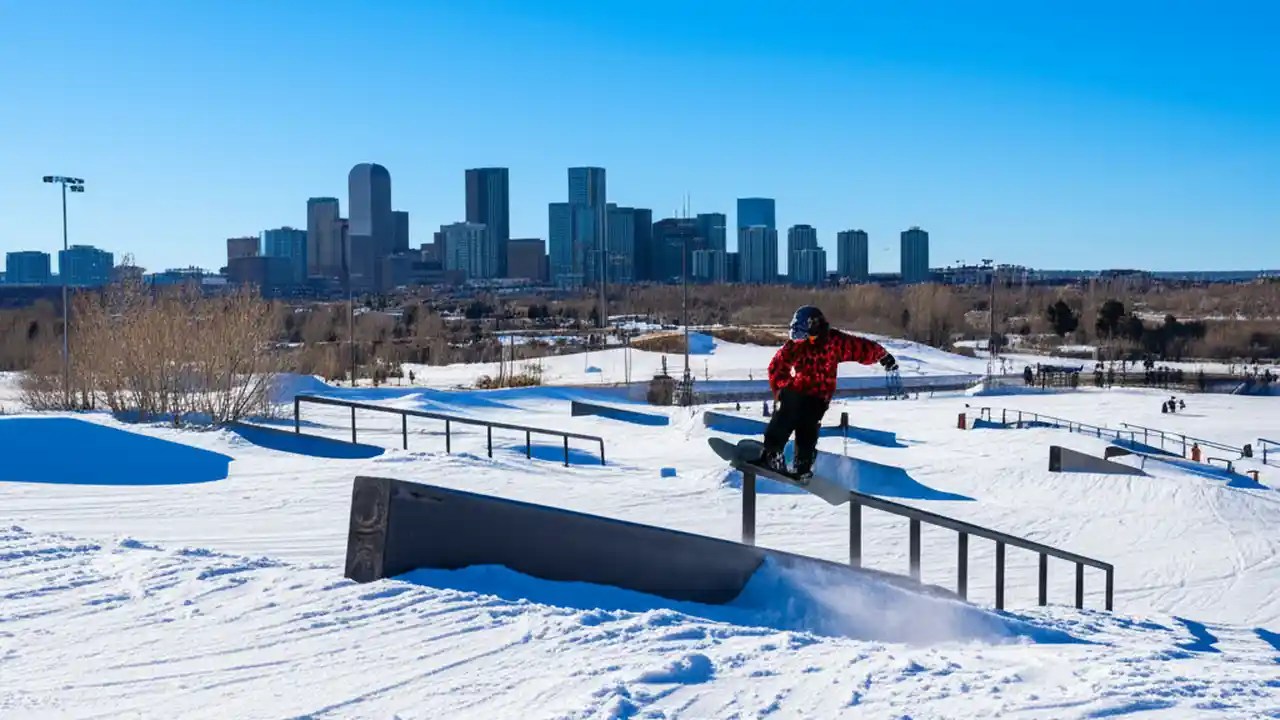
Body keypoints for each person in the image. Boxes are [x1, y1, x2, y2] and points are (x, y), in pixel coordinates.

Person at [759, 305, 896, 478]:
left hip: (818, 396)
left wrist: (882, 356)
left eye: (804, 336)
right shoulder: (795, 345)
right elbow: (777, 365)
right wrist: (781, 389)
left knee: (807, 425)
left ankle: (803, 464)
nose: (801, 341)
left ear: (814, 326)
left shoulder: (834, 342)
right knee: (785, 414)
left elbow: (860, 348)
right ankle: (773, 453)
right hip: (796, 390)